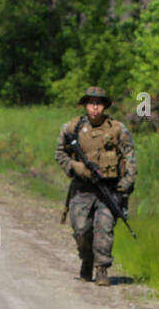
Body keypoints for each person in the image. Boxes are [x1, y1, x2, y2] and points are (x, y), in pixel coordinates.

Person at [54, 86, 136, 285]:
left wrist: (127, 182)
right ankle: (87, 260)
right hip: (82, 188)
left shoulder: (117, 129)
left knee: (104, 227)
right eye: (91, 103)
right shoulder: (72, 128)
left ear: (105, 106)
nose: (95, 108)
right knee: (81, 229)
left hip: (109, 187)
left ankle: (102, 268)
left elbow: (129, 157)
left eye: (99, 104)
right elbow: (60, 154)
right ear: (85, 105)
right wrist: (76, 167)